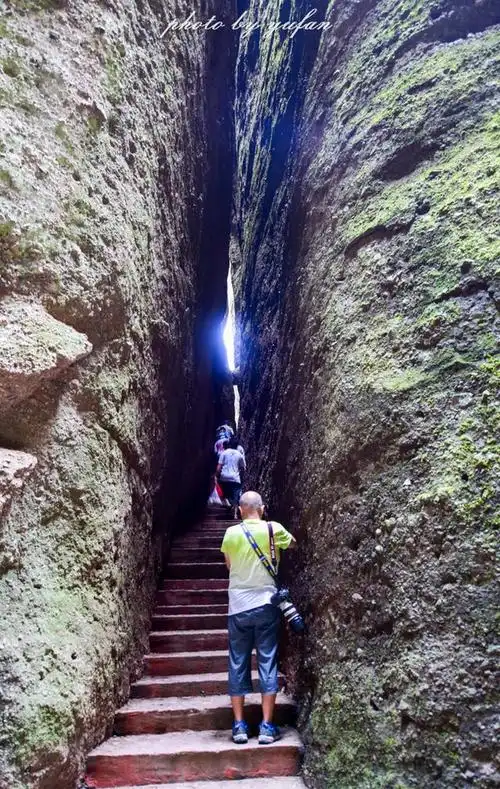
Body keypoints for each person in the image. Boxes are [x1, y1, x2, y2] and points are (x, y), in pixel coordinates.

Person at [220, 491, 296, 745]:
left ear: (240, 510)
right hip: (266, 605)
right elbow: (293, 543)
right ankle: (266, 726)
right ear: (262, 509)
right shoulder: (274, 529)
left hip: (238, 607)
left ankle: (239, 725)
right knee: (267, 660)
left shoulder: (231, 534)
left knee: (237, 662)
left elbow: (229, 565)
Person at [216, 436, 246, 517]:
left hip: (224, 478)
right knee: (235, 497)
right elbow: (243, 468)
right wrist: (241, 477)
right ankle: (235, 515)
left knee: (226, 495)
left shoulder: (224, 453)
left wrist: (217, 476)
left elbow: (219, 467)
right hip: (235, 478)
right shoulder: (239, 455)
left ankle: (229, 505)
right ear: (237, 445)